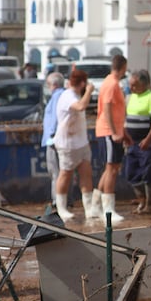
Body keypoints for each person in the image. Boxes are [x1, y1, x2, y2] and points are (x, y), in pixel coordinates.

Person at [50, 68, 99, 223]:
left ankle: (89, 208)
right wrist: (89, 91)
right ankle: (61, 208)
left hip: (81, 142)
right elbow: (81, 106)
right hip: (67, 144)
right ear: (83, 83)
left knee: (86, 173)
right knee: (65, 174)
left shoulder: (76, 94)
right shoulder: (68, 96)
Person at [92, 52, 130, 225]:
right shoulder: (111, 83)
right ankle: (108, 209)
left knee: (110, 169)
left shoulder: (113, 83)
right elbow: (107, 108)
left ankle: (95, 206)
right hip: (108, 131)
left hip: (113, 131)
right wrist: (114, 132)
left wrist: (123, 133)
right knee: (111, 170)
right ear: (123, 67)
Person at [123, 70, 151, 215]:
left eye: (134, 85)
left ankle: (150, 205)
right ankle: (141, 199)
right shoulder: (130, 97)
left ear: (144, 84)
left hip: (146, 143)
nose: (131, 88)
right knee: (131, 173)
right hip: (131, 142)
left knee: (148, 173)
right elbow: (125, 118)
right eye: (130, 85)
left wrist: (148, 139)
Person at [40, 71, 66, 201]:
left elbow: (55, 118)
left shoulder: (57, 97)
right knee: (61, 172)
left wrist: (52, 136)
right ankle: (63, 200)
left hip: (53, 140)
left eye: (48, 84)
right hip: (56, 139)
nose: (48, 87)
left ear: (54, 84)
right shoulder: (62, 95)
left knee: (56, 172)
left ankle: (58, 201)